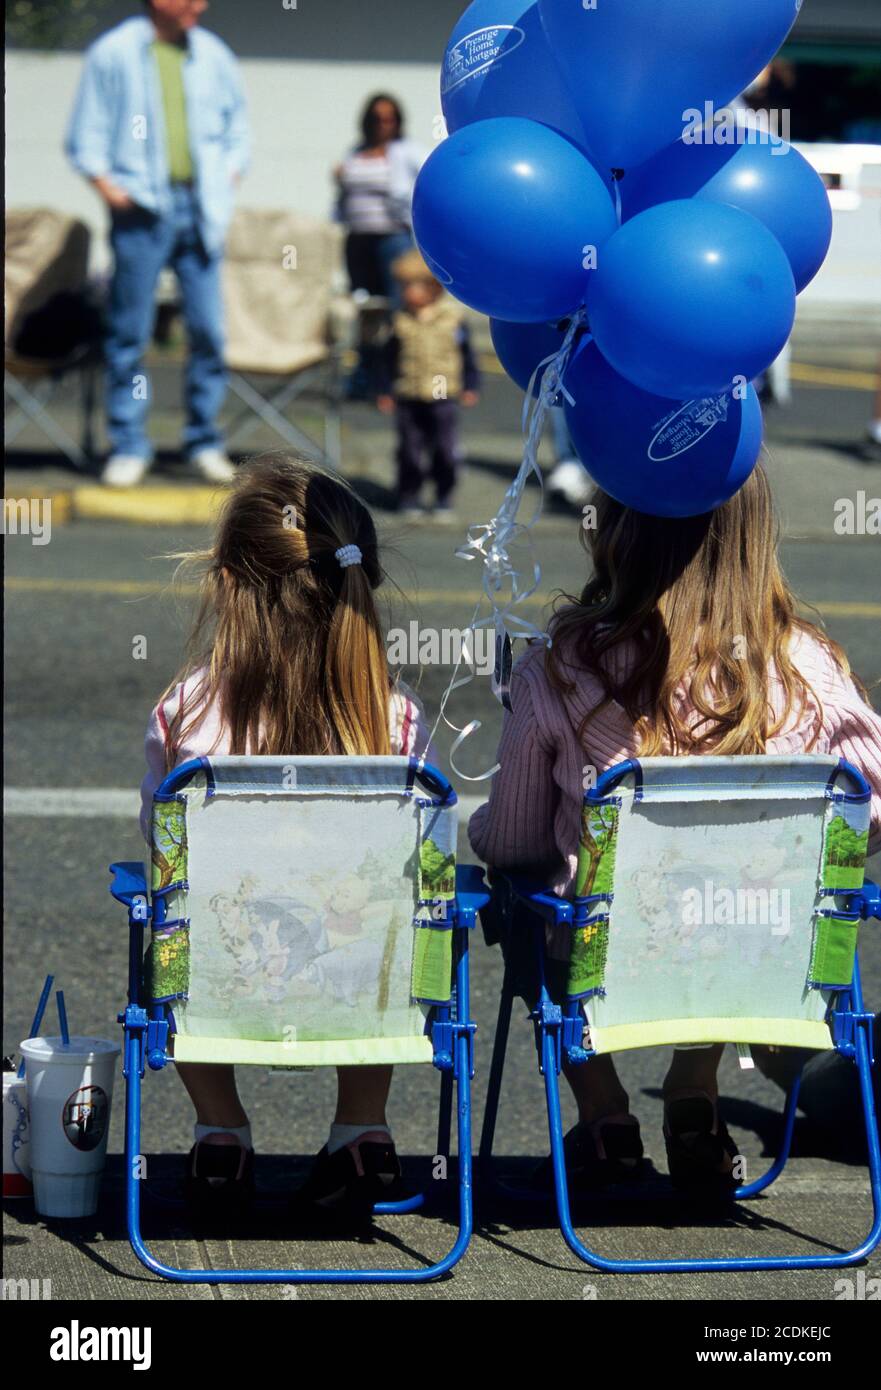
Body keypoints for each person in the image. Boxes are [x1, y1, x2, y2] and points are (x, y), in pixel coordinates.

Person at [469, 465, 881, 1194]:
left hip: (611, 954)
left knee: (522, 897)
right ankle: (693, 1089)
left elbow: (515, 843)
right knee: (722, 905)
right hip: (759, 951)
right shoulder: (807, 666)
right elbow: (867, 804)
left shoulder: (560, 670)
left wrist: (484, 838)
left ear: (614, 533)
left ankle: (604, 1113)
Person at [139, 454, 432, 1223]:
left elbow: (160, 837)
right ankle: (361, 1126)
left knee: (165, 921)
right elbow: (420, 856)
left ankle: (220, 1132)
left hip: (229, 971)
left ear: (227, 583)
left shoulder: (186, 711)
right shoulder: (393, 720)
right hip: (350, 971)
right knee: (401, 923)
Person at [66, 0, 249, 488]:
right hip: (140, 210)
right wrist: (111, 189)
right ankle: (129, 444)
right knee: (130, 332)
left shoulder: (213, 54)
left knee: (209, 330)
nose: (201, 5)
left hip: (200, 208)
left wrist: (227, 177)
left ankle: (204, 440)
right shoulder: (114, 51)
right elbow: (86, 132)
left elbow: (238, 129)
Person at [376, 249, 480, 519]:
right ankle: (409, 494)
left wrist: (471, 385)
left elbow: (467, 355)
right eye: (405, 286)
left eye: (415, 286)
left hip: (443, 396)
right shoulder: (398, 320)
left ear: (434, 287)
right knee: (409, 449)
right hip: (409, 394)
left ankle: (444, 494)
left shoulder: (453, 319)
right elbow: (388, 359)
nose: (408, 292)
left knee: (444, 448)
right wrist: (385, 390)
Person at [334, 94, 425, 397]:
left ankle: (393, 377)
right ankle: (364, 375)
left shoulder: (406, 152)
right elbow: (344, 197)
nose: (383, 125)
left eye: (389, 119)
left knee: (396, 308)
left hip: (391, 239)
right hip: (358, 240)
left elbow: (422, 187)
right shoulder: (356, 153)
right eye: (376, 118)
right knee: (364, 309)